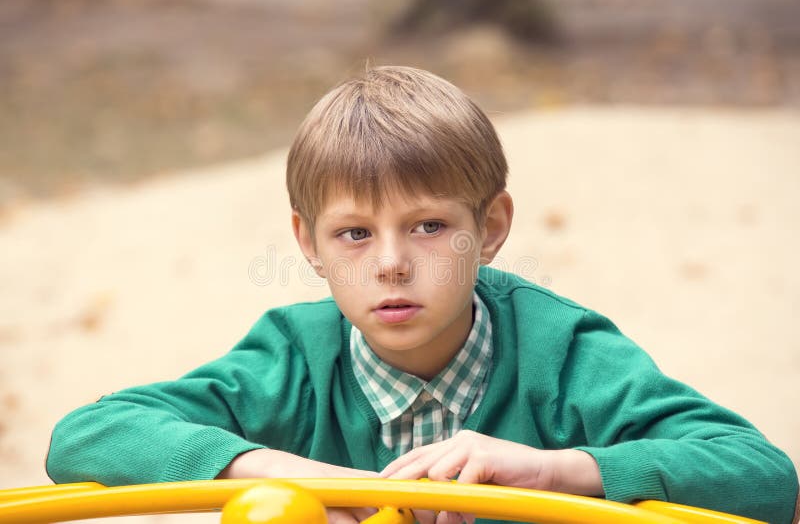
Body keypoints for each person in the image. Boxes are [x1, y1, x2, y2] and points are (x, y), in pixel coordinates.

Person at [47, 66, 798, 524]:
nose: (393, 264)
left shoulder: (561, 355)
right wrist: (283, 470)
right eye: (354, 235)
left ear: (491, 226)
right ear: (308, 244)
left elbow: (762, 475)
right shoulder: (293, 358)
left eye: (429, 225)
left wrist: (559, 470)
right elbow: (84, 437)